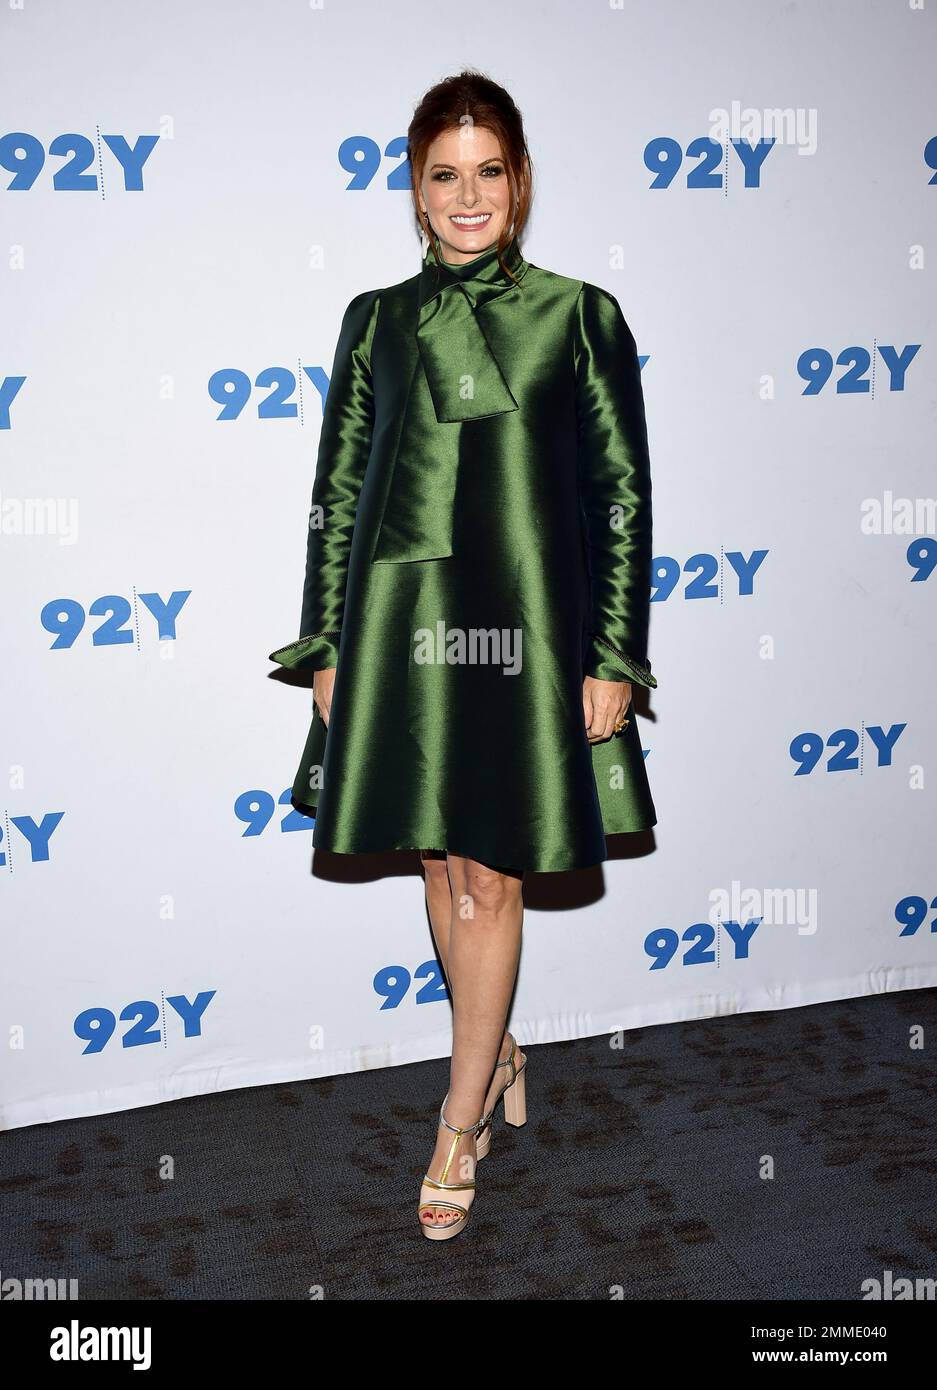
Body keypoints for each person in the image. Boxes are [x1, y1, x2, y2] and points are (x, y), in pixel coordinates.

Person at [268, 70, 658, 1240]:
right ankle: (495, 1052)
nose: (468, 194)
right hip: (404, 627)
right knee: (442, 869)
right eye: (445, 174)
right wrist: (328, 641)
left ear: (521, 181)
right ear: (416, 191)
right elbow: (337, 490)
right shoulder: (373, 320)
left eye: (489, 170)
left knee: (492, 872)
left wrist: (613, 655)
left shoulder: (581, 316)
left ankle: (457, 1117)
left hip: (530, 631)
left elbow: (622, 495)